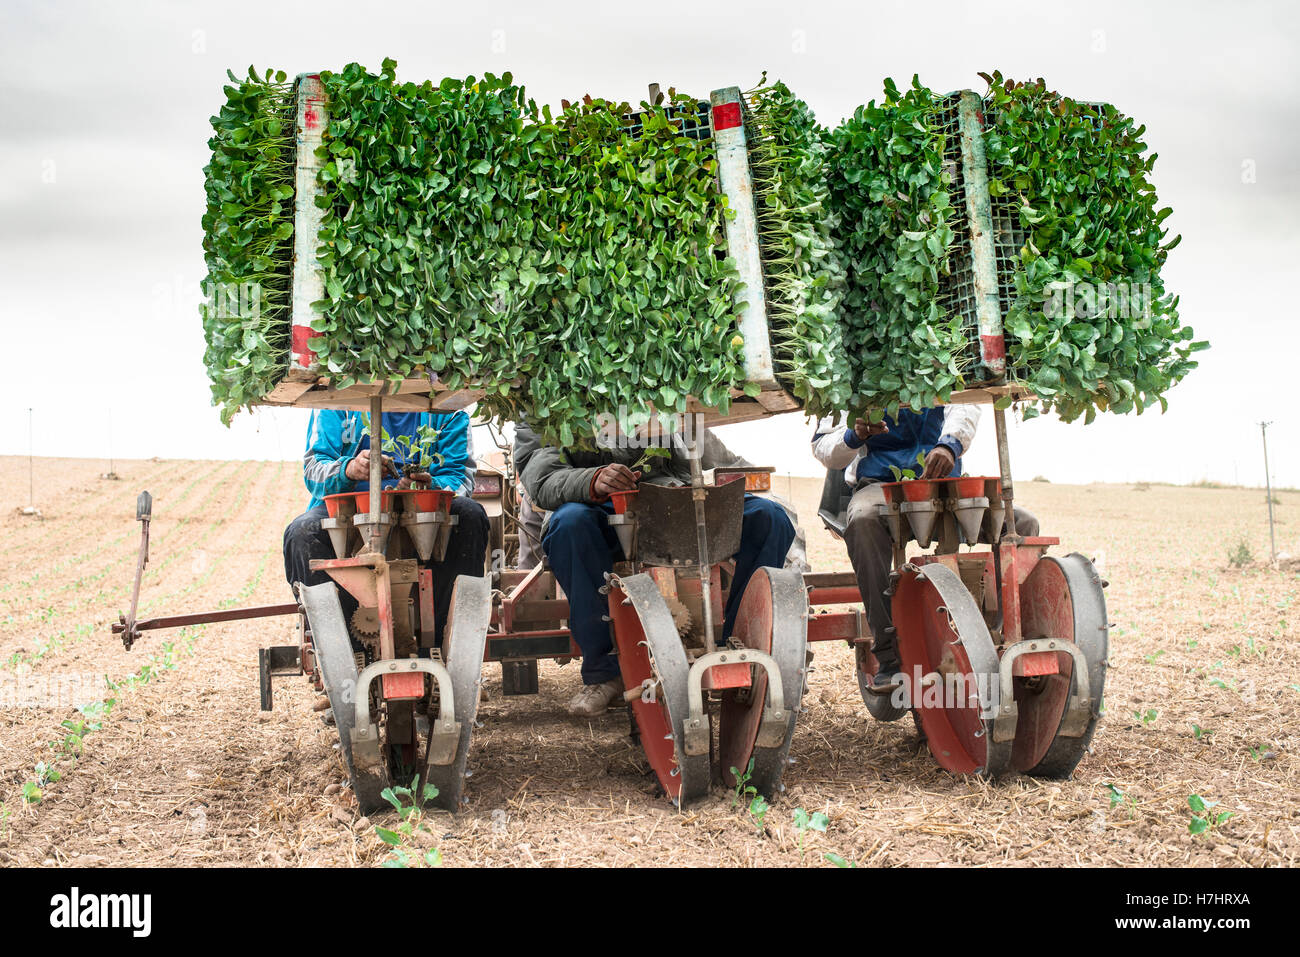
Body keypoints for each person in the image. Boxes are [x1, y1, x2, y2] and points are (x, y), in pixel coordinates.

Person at [521, 430, 796, 716]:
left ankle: (739, 653)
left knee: (770, 519)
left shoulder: (667, 395)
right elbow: (539, 475)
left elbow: (712, 450)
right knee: (569, 526)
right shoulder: (545, 400)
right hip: (596, 506)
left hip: (671, 498)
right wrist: (593, 479)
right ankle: (605, 674)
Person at [811, 405, 1038, 692]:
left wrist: (948, 445)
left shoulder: (945, 363)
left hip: (947, 485)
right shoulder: (854, 376)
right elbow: (824, 448)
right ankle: (888, 652)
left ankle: (996, 637)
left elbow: (965, 406)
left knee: (1024, 525)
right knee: (863, 520)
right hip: (880, 485)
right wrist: (854, 435)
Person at [282, 408, 489, 646]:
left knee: (471, 517)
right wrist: (348, 469)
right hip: (349, 508)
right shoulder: (336, 401)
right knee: (301, 533)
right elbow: (313, 470)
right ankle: (340, 648)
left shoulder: (446, 408)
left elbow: (459, 478)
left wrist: (431, 484)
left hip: (424, 509)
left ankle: (448, 641)